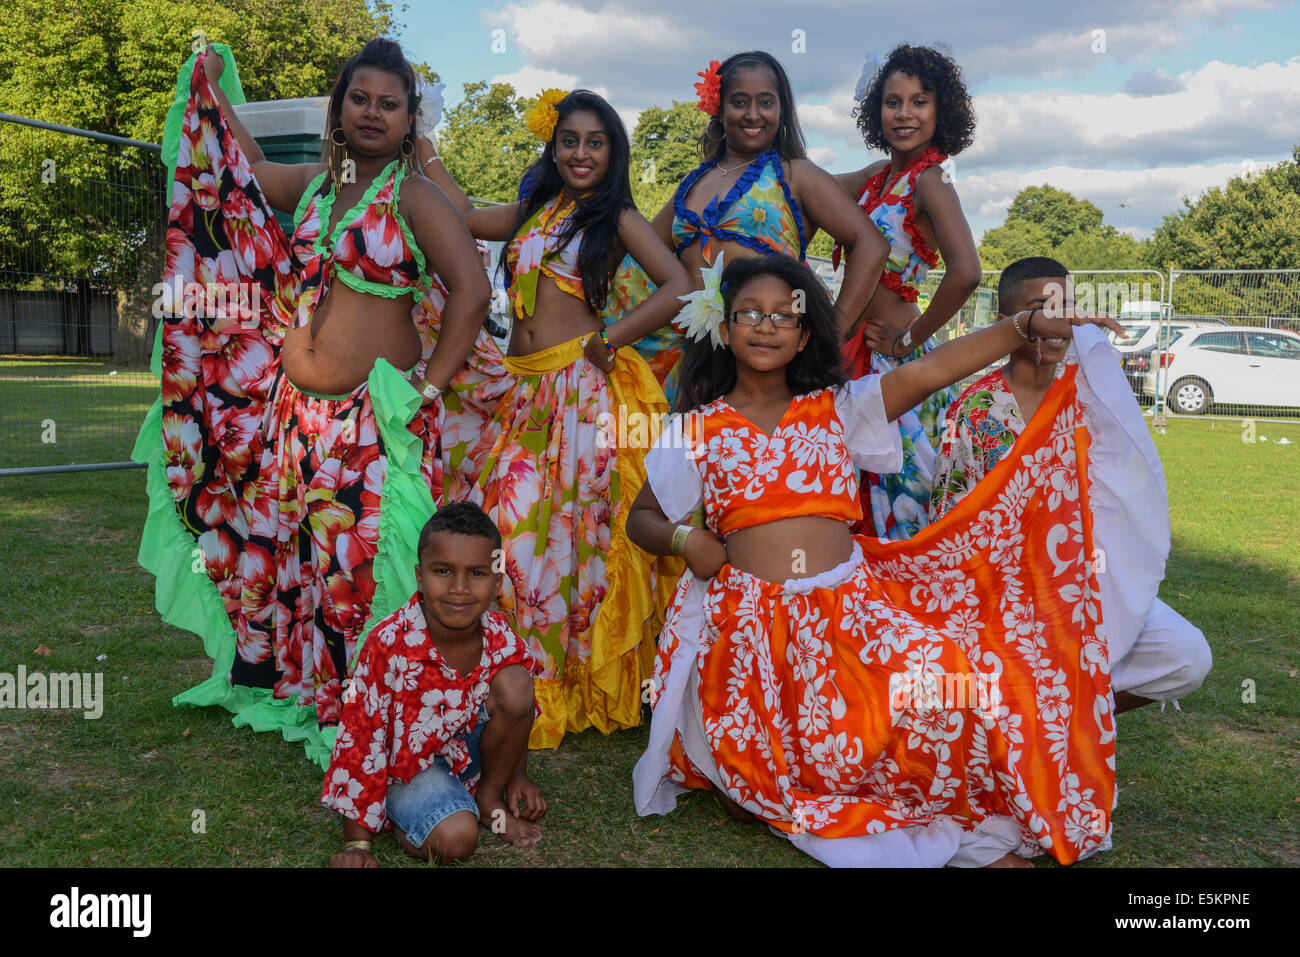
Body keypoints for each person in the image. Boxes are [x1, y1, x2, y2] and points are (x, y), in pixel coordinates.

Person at [629, 253, 1132, 867]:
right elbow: (642, 519)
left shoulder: (840, 407)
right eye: (749, 314)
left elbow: (933, 370)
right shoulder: (697, 429)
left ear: (805, 332)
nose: (766, 326)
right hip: (752, 635)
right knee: (754, 790)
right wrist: (687, 541)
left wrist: (1021, 327)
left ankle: (946, 806)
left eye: (783, 316)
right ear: (725, 328)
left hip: (848, 615)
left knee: (947, 677)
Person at [133, 40, 498, 766]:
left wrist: (426, 389)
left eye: (388, 103)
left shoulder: (416, 198)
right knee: (305, 563)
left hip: (373, 417)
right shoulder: (320, 186)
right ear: (339, 109)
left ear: (407, 119)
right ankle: (313, 687)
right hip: (295, 418)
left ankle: (384, 708)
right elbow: (249, 173)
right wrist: (216, 95)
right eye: (358, 99)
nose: (371, 112)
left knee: (369, 569)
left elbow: (473, 291)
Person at [439, 90, 692, 748]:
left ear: (613, 153)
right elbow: (460, 217)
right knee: (499, 523)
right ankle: (500, 672)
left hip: (575, 395)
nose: (581, 153)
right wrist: (422, 149)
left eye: (595, 142)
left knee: (546, 540)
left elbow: (681, 287)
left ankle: (549, 680)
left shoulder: (618, 218)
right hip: (519, 390)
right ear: (553, 149)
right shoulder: (532, 211)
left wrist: (613, 337)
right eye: (570, 140)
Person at [929, 257, 1212, 713]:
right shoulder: (976, 411)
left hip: (1090, 584)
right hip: (1005, 595)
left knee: (1186, 655)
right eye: (1042, 308)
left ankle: (1070, 716)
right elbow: (948, 525)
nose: (1056, 321)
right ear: (1009, 323)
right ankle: (1040, 716)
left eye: (1066, 308)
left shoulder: (1091, 395)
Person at [610, 51, 889, 404]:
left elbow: (871, 245)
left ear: (782, 110)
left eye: (766, 102)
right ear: (719, 108)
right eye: (739, 102)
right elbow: (641, 253)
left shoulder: (795, 175)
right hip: (688, 365)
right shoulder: (693, 183)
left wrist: (830, 333)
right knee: (686, 456)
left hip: (764, 362)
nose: (753, 114)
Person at [323, 502, 545, 867]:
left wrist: (517, 776)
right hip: (407, 769)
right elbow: (360, 741)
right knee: (457, 840)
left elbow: (519, 709)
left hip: (469, 758)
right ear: (420, 577)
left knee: (517, 683)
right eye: (443, 571)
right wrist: (357, 846)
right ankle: (404, 818)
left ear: (497, 581)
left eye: (476, 573)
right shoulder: (389, 644)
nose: (459, 588)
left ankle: (488, 800)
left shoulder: (500, 634)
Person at [833, 44, 982, 540]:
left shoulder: (932, 183)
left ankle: (908, 613)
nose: (904, 114)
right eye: (892, 101)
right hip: (852, 355)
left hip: (891, 362)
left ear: (942, 111)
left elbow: (967, 273)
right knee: (849, 496)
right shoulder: (880, 178)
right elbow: (811, 186)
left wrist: (909, 339)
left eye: (920, 102)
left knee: (902, 511)